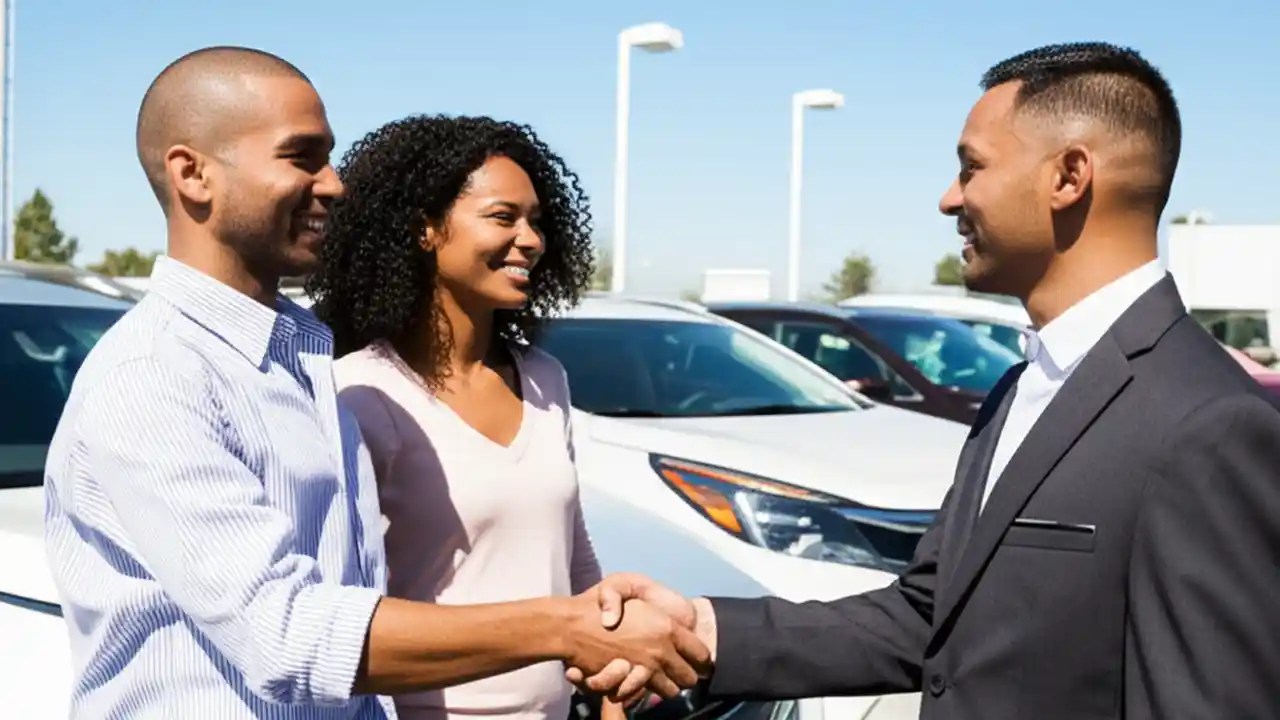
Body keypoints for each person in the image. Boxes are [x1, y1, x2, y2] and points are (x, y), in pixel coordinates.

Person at [574, 42, 1280, 719]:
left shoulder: (1210, 423)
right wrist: (700, 627)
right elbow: (928, 620)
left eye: (970, 168)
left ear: (1069, 176)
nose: (949, 199)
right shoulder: (1019, 387)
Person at [42, 46, 708, 719]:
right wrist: (566, 628)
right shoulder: (152, 378)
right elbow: (289, 637)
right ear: (193, 175)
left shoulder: (296, 359)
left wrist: (589, 642)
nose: (333, 184)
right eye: (301, 157)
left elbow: (359, 597)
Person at [305, 114, 623, 720]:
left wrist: (606, 688)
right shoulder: (361, 394)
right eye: (503, 218)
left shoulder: (546, 379)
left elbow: (572, 550)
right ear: (425, 229)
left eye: (536, 221)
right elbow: (341, 610)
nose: (529, 239)